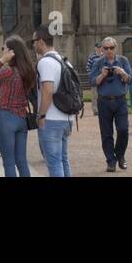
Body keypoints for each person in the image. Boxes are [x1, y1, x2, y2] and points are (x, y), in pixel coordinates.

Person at [0, 36, 36, 177]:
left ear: (11, 52)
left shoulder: (9, 70)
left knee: (9, 162)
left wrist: (1, 61)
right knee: (22, 161)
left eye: (4, 49)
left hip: (6, 116)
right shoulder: (27, 70)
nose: (2, 51)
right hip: (21, 118)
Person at [31, 26, 76, 178]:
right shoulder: (64, 60)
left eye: (34, 41)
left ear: (41, 42)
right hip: (67, 118)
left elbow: (48, 90)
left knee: (54, 163)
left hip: (51, 119)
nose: (33, 45)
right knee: (63, 160)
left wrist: (41, 116)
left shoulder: (46, 62)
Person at [89, 37, 132, 173]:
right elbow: (92, 82)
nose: (108, 50)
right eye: (105, 48)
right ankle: (110, 161)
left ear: (115, 48)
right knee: (106, 133)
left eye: (111, 48)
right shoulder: (97, 62)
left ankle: (120, 155)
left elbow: (129, 80)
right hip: (104, 101)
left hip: (120, 101)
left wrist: (123, 73)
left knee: (123, 130)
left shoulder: (123, 61)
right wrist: (102, 75)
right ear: (102, 49)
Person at [86, 43, 104, 116]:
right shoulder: (92, 57)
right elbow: (88, 67)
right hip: (94, 78)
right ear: (95, 48)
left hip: (103, 78)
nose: (99, 48)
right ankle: (95, 110)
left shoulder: (104, 56)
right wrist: (91, 74)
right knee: (94, 95)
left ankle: (102, 109)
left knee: (102, 94)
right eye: (98, 47)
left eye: (100, 47)